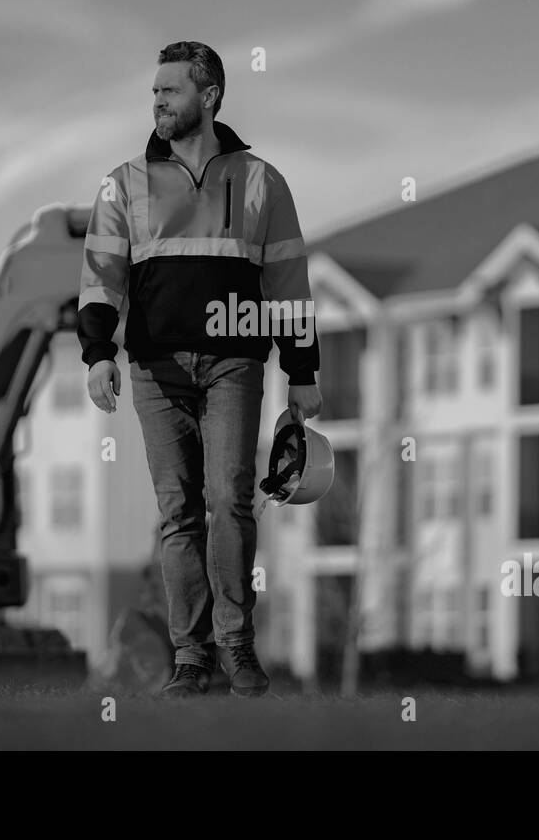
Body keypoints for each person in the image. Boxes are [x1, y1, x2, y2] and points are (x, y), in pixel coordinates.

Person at [77, 40, 322, 698]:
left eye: (170, 90)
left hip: (235, 363)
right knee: (178, 512)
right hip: (155, 370)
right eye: (153, 90)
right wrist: (98, 352)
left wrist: (303, 371)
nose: (157, 100)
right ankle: (192, 658)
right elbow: (101, 275)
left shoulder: (262, 180)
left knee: (229, 498)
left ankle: (237, 648)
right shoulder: (122, 182)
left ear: (208, 96)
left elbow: (290, 283)